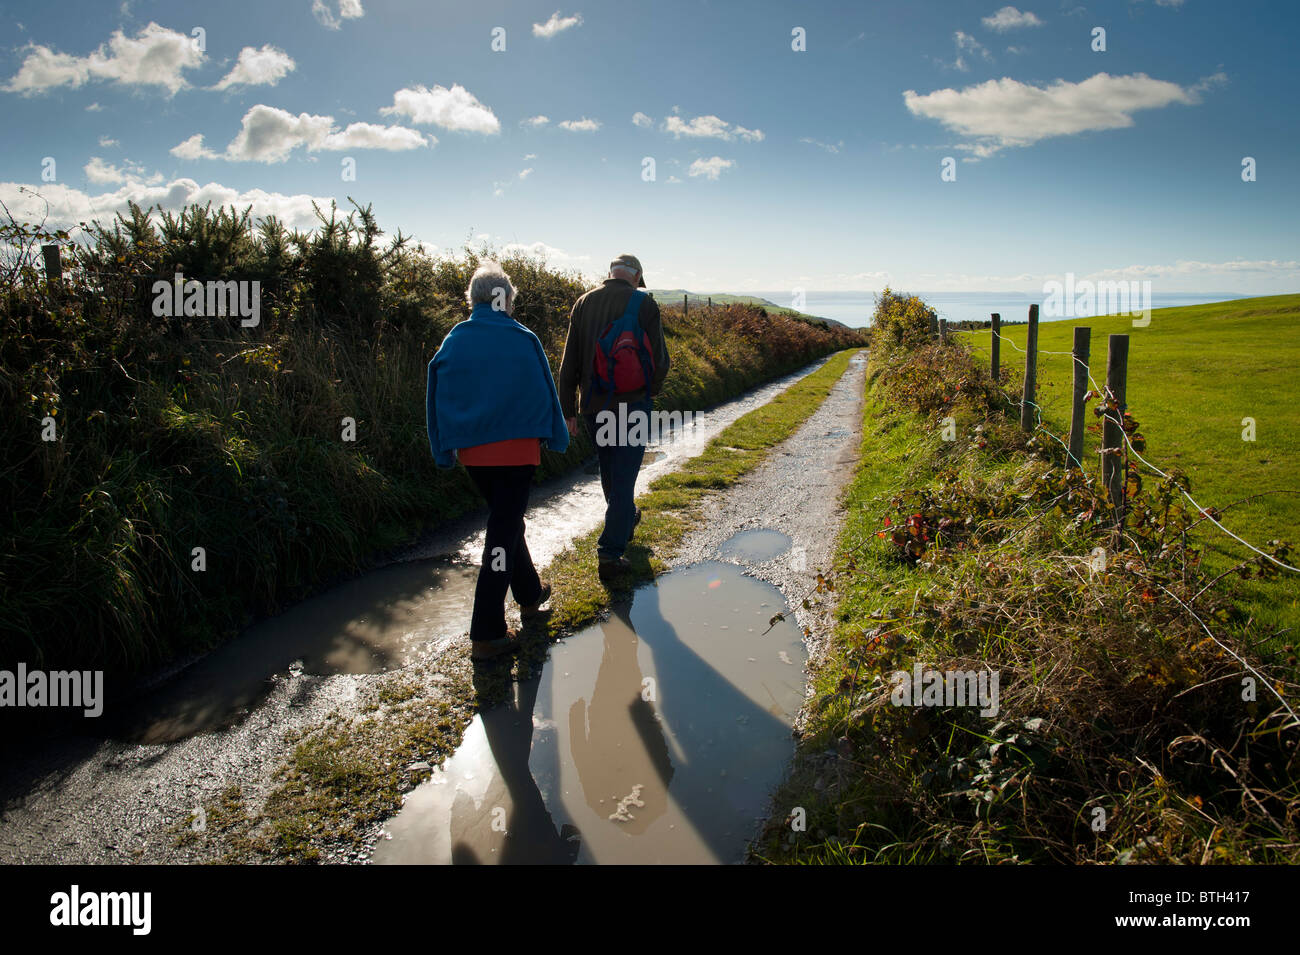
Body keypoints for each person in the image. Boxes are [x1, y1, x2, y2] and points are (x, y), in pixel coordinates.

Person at [426, 261, 570, 660]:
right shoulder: (524, 338)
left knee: (506, 523)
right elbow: (545, 392)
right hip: (518, 450)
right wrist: (557, 436)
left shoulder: (454, 339)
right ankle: (486, 633)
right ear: (506, 300)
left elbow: (435, 394)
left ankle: (529, 593)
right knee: (502, 531)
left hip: (473, 452)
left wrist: (443, 449)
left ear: (472, 299)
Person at [557, 254, 670, 577]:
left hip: (593, 406)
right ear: (636, 277)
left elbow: (570, 364)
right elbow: (660, 360)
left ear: (611, 274)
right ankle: (609, 552)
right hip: (633, 404)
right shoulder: (644, 304)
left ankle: (624, 518)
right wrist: (652, 391)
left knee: (610, 469)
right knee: (624, 475)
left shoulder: (582, 303)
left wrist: (568, 411)